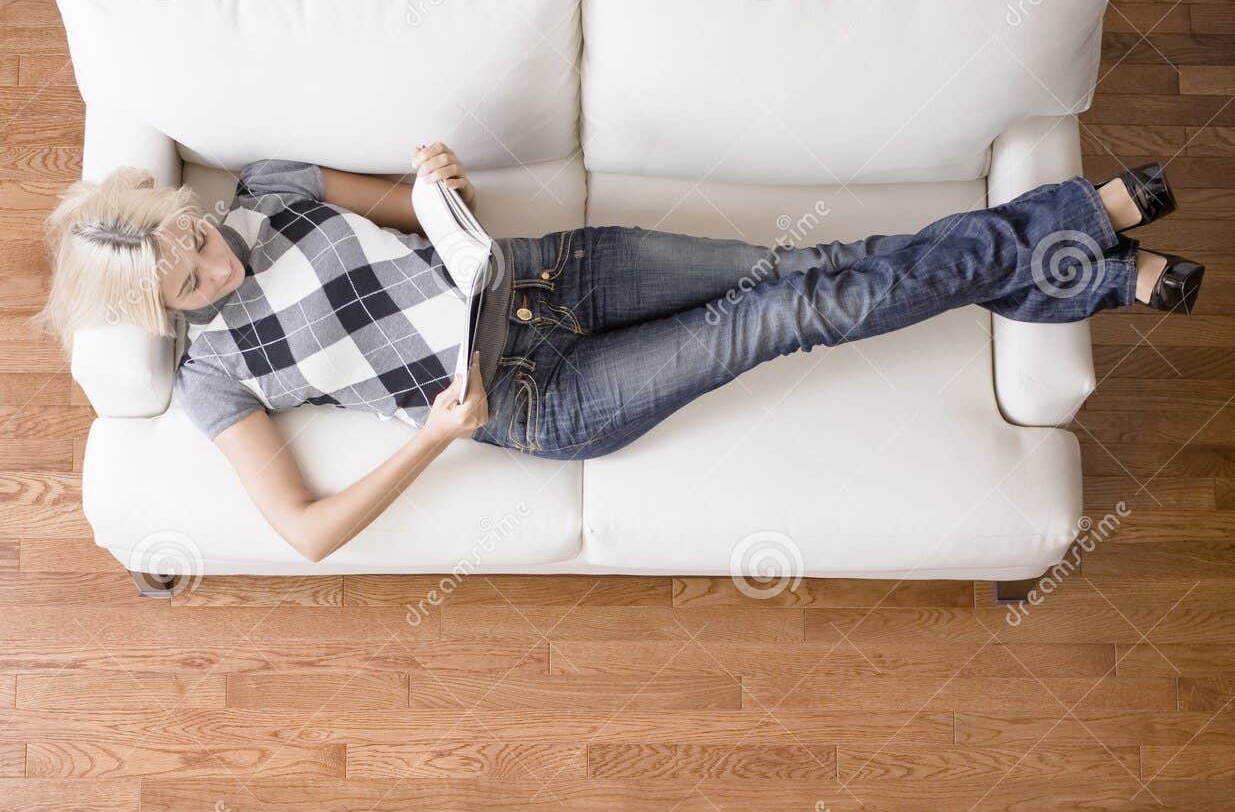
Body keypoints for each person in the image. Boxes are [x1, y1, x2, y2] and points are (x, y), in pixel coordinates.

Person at [36, 146, 1202, 562]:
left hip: (554, 268)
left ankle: (1077, 261)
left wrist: (438, 179)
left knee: (817, 268)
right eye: (187, 284)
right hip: (543, 396)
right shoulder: (208, 370)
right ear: (161, 311)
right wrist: (439, 436)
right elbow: (303, 533)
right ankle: (1077, 231)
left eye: (189, 240)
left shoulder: (271, 188)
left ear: (171, 208)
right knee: (801, 313)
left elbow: (427, 205)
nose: (209, 266)